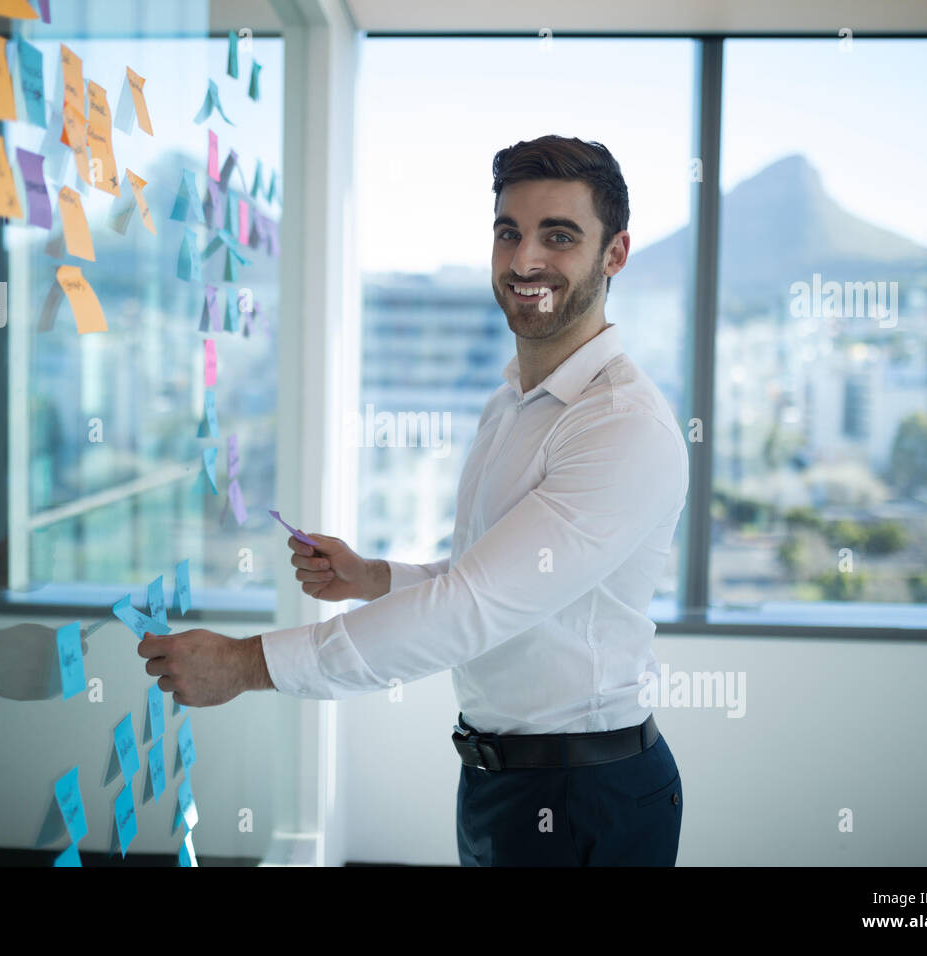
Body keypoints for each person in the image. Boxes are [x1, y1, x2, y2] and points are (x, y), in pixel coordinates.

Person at [139, 134, 689, 866]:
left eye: (559, 237)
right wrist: (374, 577)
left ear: (614, 254)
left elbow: (471, 610)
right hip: (502, 780)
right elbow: (483, 576)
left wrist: (246, 665)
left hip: (586, 796)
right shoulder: (512, 404)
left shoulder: (622, 425)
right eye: (508, 232)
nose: (525, 261)